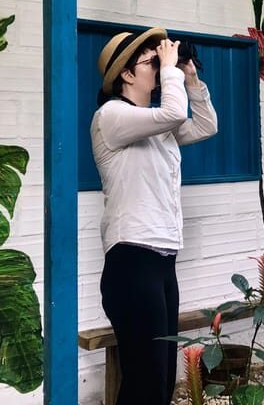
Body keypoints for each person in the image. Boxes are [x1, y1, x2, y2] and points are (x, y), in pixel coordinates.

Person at [91, 28, 218, 405]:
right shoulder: (112, 116)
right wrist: (171, 70)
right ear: (126, 74)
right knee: (145, 383)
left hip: (162, 262)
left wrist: (189, 77)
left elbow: (206, 125)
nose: (161, 69)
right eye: (152, 63)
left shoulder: (156, 127)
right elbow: (175, 112)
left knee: (161, 382)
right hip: (132, 261)